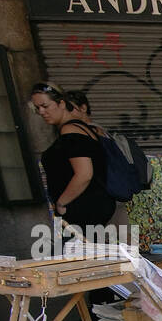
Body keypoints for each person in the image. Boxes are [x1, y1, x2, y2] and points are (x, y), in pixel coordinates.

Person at [29, 82, 115, 231]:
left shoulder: (70, 131)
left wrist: (62, 203)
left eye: (45, 106)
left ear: (61, 103)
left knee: (72, 252)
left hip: (82, 210)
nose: (42, 112)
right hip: (89, 208)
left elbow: (84, 174)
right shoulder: (79, 128)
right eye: (37, 108)